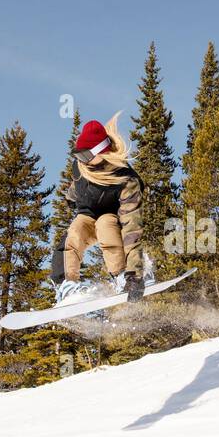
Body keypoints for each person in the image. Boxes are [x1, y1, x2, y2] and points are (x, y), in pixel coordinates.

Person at [50, 112, 148, 305]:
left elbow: (132, 229)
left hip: (113, 218)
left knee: (105, 225)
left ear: (101, 152)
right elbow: (77, 185)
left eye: (85, 155)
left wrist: (135, 274)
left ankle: (122, 275)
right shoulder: (80, 166)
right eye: (78, 155)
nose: (81, 160)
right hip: (88, 215)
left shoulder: (126, 179)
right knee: (75, 232)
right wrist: (71, 198)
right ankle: (67, 286)